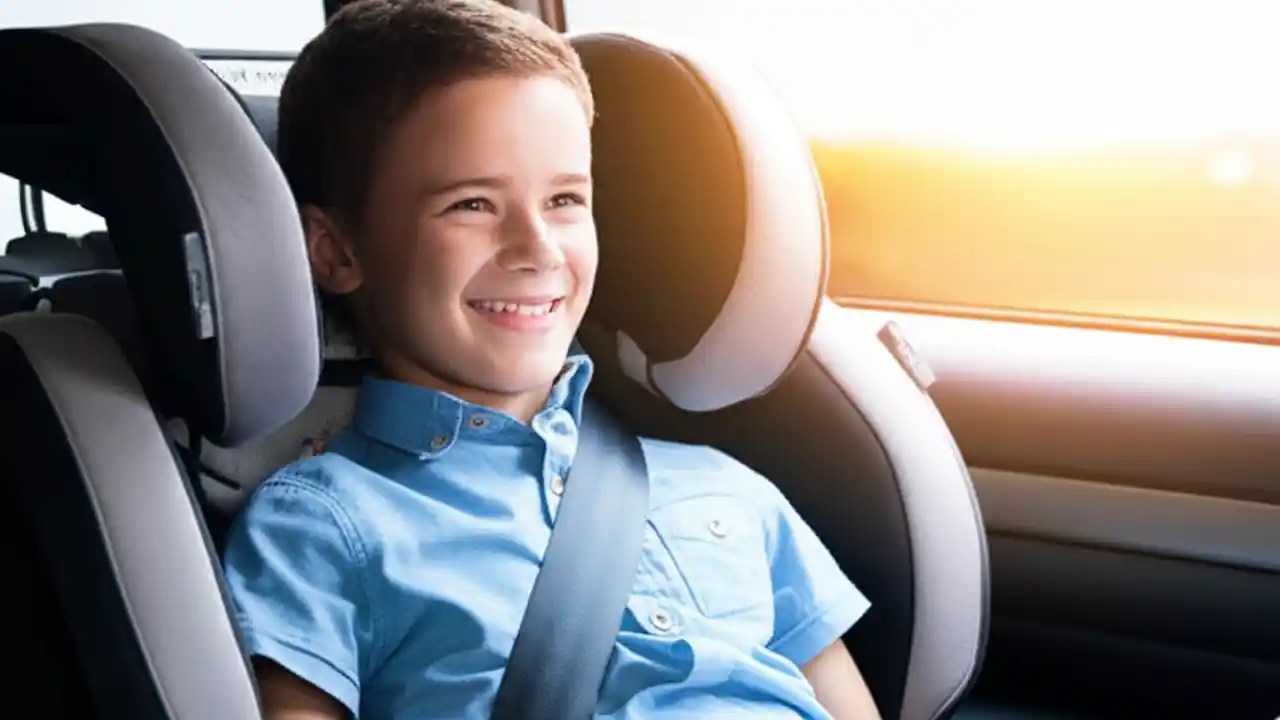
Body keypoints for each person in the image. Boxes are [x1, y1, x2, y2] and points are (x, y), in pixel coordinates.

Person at [220, 1, 882, 717]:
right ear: (337, 251)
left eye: (565, 199)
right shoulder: (324, 528)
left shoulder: (729, 492)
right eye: (471, 205)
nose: (537, 248)